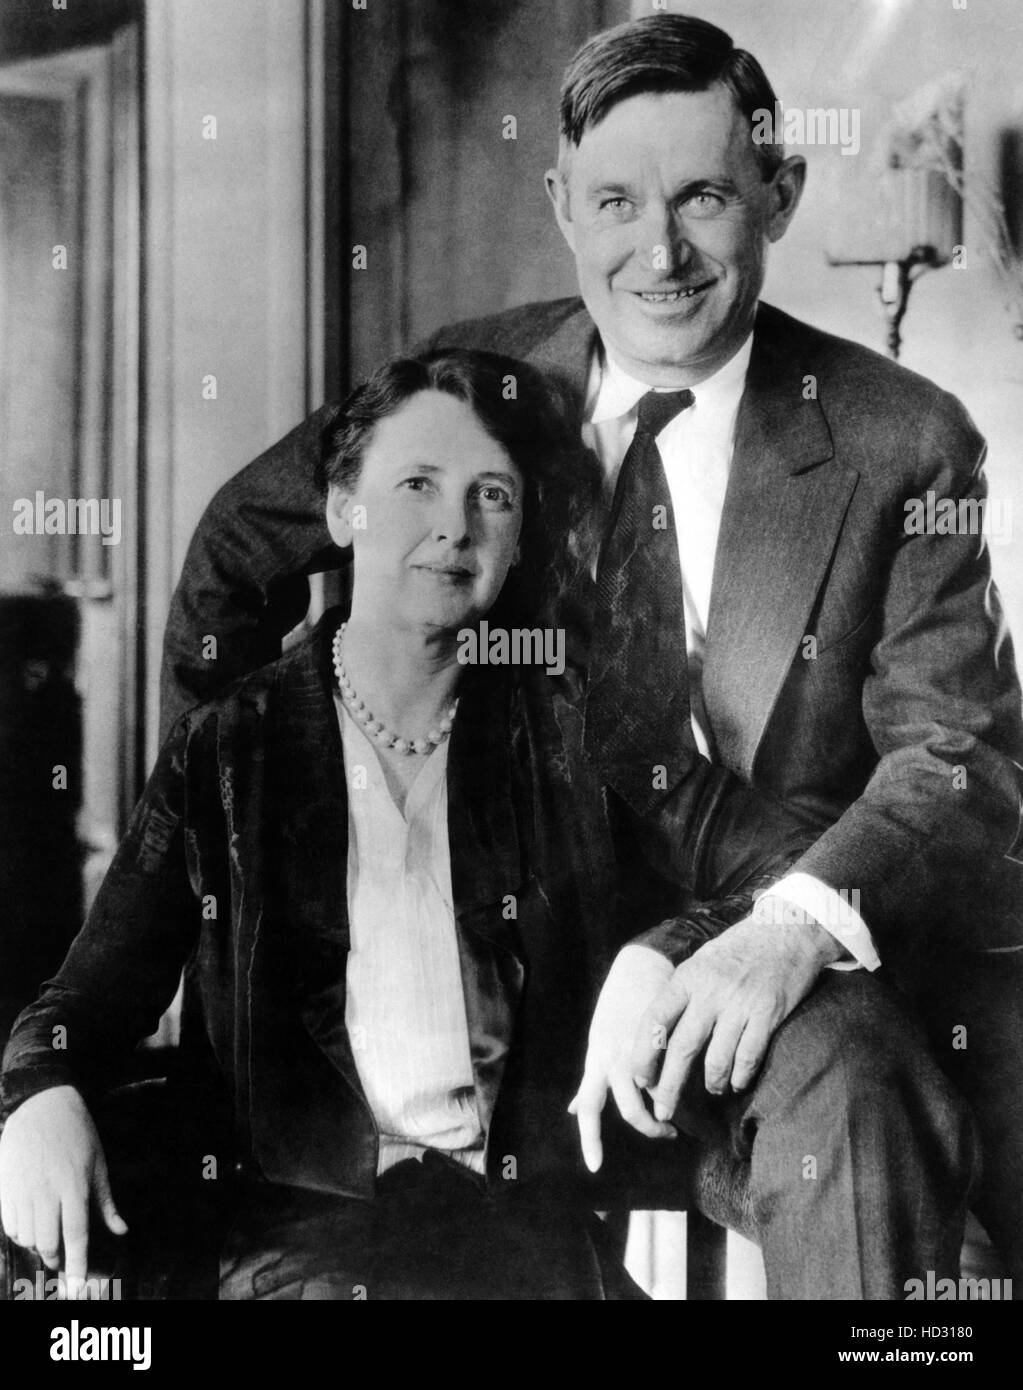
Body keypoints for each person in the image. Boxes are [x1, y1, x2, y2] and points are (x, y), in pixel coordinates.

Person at [154, 15, 1023, 1295]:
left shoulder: (903, 438)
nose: (657, 252)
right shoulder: (479, 383)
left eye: (706, 197)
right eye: (615, 199)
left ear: (780, 195)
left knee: (859, 1082)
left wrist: (776, 933)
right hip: (484, 950)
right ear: (562, 204)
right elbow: (242, 543)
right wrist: (252, 840)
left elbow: (955, 760)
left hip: (744, 948)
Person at [1, 349, 845, 1300]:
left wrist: (665, 947)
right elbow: (83, 1004)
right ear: (340, 511)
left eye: (492, 495)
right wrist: (36, 1095)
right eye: (416, 485)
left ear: (520, 535)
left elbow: (790, 865)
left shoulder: (575, 729)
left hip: (515, 1241)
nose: (453, 527)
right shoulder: (229, 750)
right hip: (293, 1247)